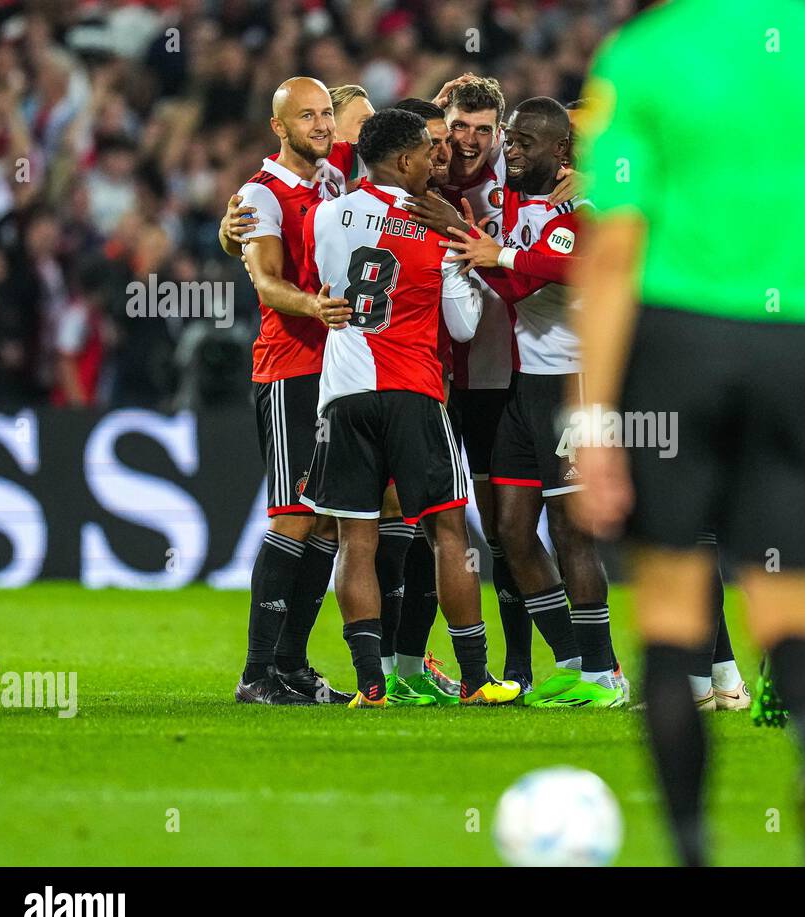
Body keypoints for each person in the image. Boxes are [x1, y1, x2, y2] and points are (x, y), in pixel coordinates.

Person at [571, 0, 805, 865]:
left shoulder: (642, 52)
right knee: (787, 607)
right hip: (801, 345)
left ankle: (693, 845)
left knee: (668, 612)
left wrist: (591, 418)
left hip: (677, 341)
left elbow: (614, 248)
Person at [298, 108, 519, 708]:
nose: (437, 158)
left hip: (342, 395)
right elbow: (465, 326)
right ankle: (476, 679)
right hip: (413, 391)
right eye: (428, 150)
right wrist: (463, 257)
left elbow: (326, 281)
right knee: (448, 533)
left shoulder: (325, 215)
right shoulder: (435, 227)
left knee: (355, 540)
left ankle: (370, 686)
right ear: (402, 161)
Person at [432, 97, 626, 708]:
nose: (510, 151)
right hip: (523, 386)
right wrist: (471, 237)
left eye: (523, 143)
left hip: (574, 385)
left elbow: (550, 273)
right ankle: (570, 660)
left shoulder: (582, 208)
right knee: (511, 530)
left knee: (572, 531)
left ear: (560, 152)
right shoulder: (524, 205)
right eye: (509, 140)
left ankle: (604, 674)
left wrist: (493, 252)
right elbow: (506, 271)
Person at [227, 77, 358, 706]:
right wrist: (319, 307)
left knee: (328, 521)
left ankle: (292, 666)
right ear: (279, 127)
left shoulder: (331, 182)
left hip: (331, 372)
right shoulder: (261, 193)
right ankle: (256, 674)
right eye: (308, 117)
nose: (323, 125)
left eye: (325, 113)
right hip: (289, 369)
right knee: (296, 514)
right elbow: (266, 283)